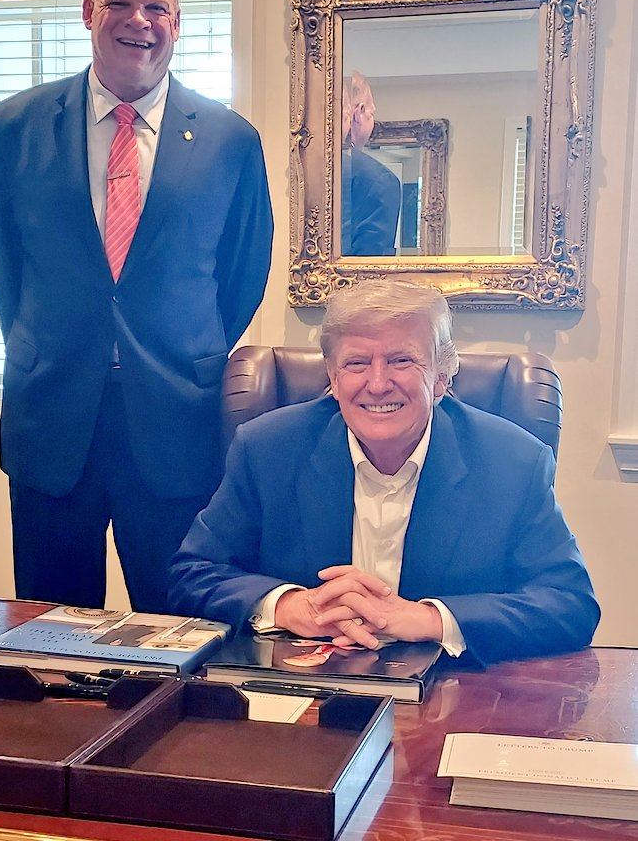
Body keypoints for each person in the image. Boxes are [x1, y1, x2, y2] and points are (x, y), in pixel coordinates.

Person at [0, 0, 273, 612]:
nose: (138, 20)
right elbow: (7, 267)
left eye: (155, 7)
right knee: (50, 630)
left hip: (177, 417)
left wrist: (175, 348)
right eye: (119, 2)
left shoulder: (230, 140)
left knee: (180, 625)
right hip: (51, 415)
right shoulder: (15, 126)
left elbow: (242, 272)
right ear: (89, 12)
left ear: (177, 22)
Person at [168, 280, 599, 666]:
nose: (377, 384)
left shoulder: (513, 462)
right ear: (333, 378)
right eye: (357, 363)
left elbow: (569, 603)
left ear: (441, 377)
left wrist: (429, 619)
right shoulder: (268, 448)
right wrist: (288, 606)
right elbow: (192, 573)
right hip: (303, 691)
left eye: (401, 360)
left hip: (451, 695)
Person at [341, 72, 401, 256]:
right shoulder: (379, 180)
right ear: (358, 113)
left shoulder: (300, 167)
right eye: (371, 113)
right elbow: (371, 264)